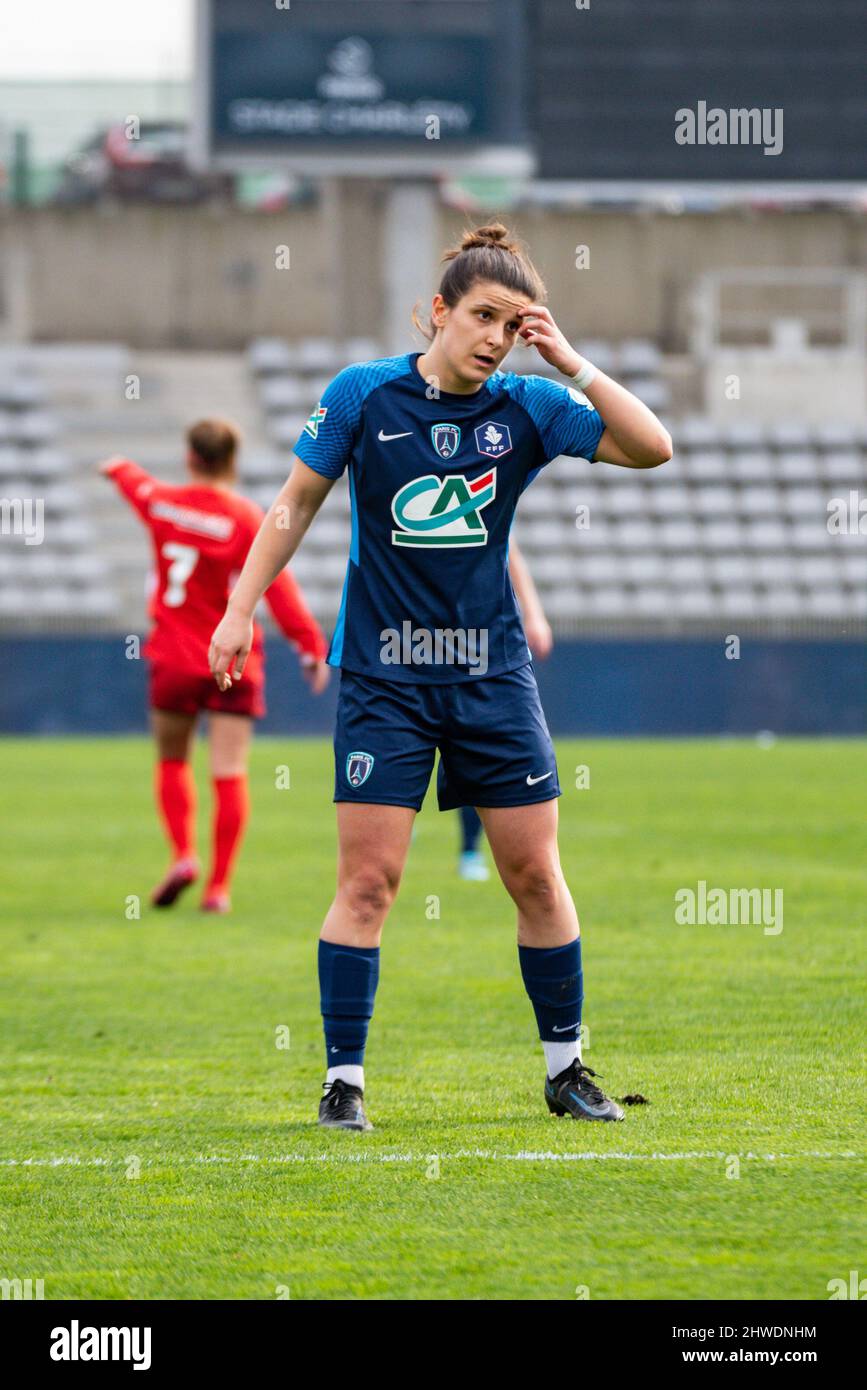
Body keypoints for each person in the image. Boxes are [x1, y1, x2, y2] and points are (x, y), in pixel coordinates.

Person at [209, 222, 671, 1129]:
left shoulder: (529, 408)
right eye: (481, 316)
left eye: (512, 323)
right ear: (437, 312)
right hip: (383, 678)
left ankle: (566, 1069)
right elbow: (293, 502)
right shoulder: (361, 396)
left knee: (535, 875)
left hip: (492, 678)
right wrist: (238, 610)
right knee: (369, 884)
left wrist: (569, 360)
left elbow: (651, 446)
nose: (495, 337)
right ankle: (344, 1081)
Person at [100, 418, 329, 913]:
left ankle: (184, 855)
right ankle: (219, 888)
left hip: (174, 657)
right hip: (233, 658)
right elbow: (279, 590)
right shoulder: (245, 518)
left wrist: (116, 466)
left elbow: (134, 483)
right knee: (229, 770)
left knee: (173, 759)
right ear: (232, 461)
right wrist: (310, 645)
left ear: (190, 458)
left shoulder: (161, 503)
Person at [456, 542, 553, 882]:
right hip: (413, 648)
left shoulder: (488, 503)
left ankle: (469, 849)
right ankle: (390, 830)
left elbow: (508, 547)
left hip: (483, 648)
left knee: (475, 759)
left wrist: (535, 615)